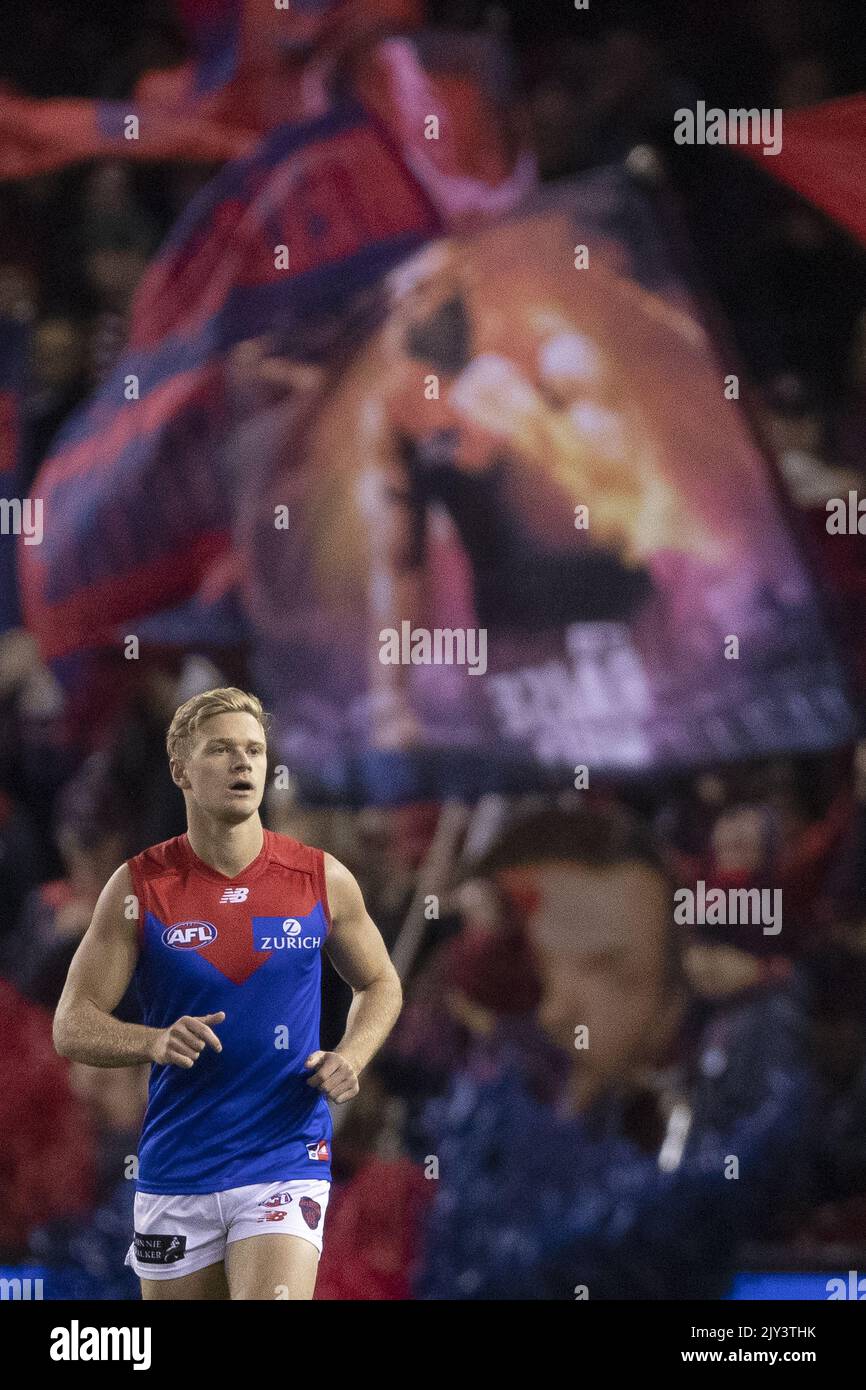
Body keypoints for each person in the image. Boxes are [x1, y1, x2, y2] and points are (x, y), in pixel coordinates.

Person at [414, 800, 866, 1299]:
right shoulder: (494, 1124)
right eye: (542, 965)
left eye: (607, 969)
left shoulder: (685, 1078)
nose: (561, 1005)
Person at [53, 687, 402, 1300]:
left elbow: (380, 984)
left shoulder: (321, 879)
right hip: (177, 1165)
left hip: (285, 1157)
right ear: (180, 770)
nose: (244, 764)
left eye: (255, 751)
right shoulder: (139, 887)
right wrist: (153, 1040)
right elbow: (72, 1024)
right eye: (221, 750)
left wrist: (351, 1056)